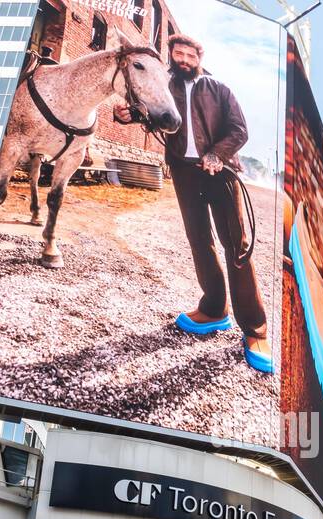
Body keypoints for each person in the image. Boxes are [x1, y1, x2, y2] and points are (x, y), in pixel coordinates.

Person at [114, 34, 272, 375]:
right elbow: (156, 117)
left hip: (221, 172)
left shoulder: (219, 89)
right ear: (172, 56)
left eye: (189, 54)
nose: (183, 59)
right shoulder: (166, 86)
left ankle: (256, 330)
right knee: (199, 242)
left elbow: (239, 130)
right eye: (178, 54)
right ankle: (215, 310)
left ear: (199, 56)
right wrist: (129, 116)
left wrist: (217, 154)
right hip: (184, 174)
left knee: (238, 246)